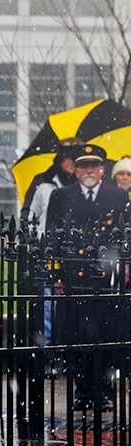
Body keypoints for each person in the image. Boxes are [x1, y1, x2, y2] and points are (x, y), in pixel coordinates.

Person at [46, 143, 125, 411]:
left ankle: (105, 391)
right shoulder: (61, 196)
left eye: (93, 166)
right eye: (83, 166)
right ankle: (82, 389)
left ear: (103, 170)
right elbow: (52, 237)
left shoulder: (118, 196)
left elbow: (126, 235)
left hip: (107, 277)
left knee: (106, 335)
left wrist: (126, 265)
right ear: (75, 170)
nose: (89, 170)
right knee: (75, 335)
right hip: (74, 275)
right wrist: (55, 274)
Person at [20, 140, 78, 233]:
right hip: (44, 241)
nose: (72, 162)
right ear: (60, 159)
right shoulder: (42, 181)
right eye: (68, 157)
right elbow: (29, 212)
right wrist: (29, 236)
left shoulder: (82, 185)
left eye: (75, 159)